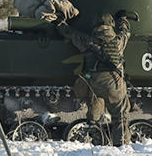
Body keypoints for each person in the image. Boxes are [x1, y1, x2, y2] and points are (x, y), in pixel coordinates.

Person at [56, 11, 132, 146]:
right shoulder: (118, 41)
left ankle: (93, 131)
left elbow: (70, 33)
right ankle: (121, 144)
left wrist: (59, 23)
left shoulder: (87, 40)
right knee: (120, 116)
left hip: (94, 80)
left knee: (94, 108)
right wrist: (123, 19)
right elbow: (125, 31)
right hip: (114, 82)